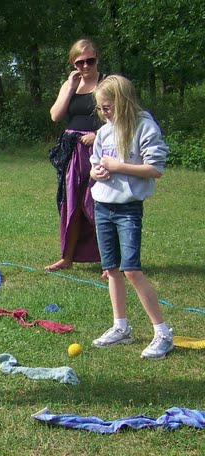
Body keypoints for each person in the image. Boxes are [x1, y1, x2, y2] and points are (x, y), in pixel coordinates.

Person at [89, 75, 172, 359]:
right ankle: (121, 327)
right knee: (111, 269)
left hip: (127, 208)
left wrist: (119, 166)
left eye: (108, 107)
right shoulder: (104, 132)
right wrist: (96, 172)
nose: (104, 113)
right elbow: (94, 165)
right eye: (100, 108)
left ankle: (163, 332)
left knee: (131, 269)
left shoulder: (144, 127)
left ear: (123, 102)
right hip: (102, 205)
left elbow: (155, 168)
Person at [46, 38, 103, 271]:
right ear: (73, 63)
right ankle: (67, 258)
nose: (86, 67)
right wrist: (69, 87)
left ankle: (109, 262)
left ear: (97, 59)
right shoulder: (70, 84)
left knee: (98, 203)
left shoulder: (107, 83)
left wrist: (99, 137)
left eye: (90, 61)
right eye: (80, 62)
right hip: (73, 150)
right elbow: (55, 116)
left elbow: (121, 119)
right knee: (73, 203)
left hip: (100, 150)